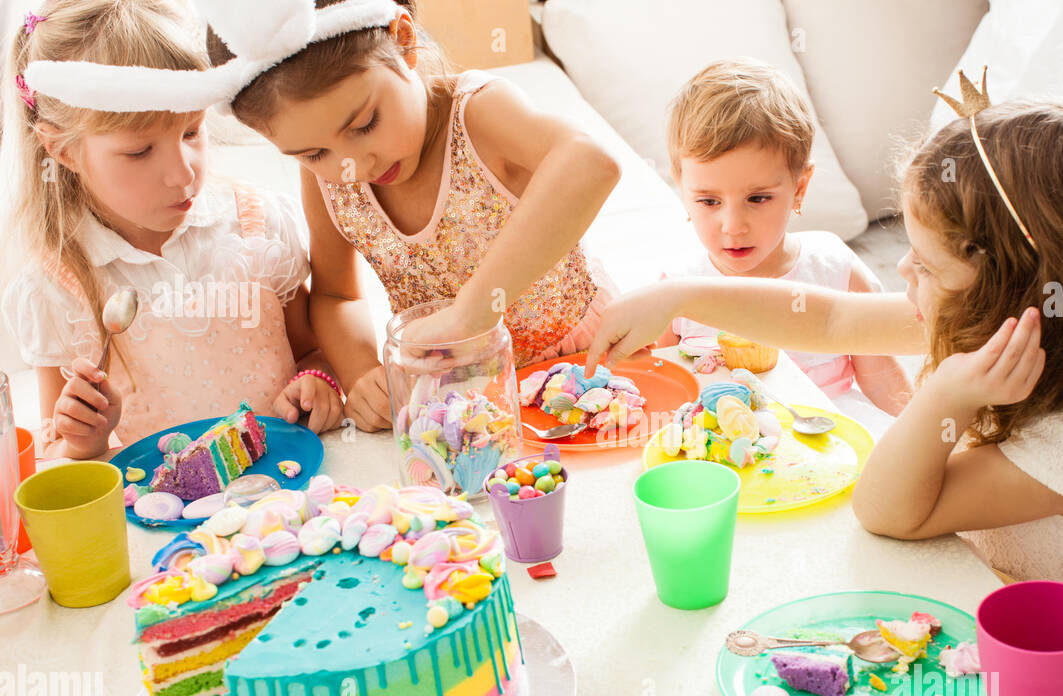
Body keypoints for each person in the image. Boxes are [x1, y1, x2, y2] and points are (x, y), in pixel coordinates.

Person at [585, 84, 1063, 696]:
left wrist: (941, 399)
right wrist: (680, 295)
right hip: (965, 587)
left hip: (1045, 652)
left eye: (927, 266)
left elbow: (889, 511)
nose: (904, 275)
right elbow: (832, 318)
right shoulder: (991, 323)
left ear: (1019, 285)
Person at [204, 0, 621, 431]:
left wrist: (470, 312)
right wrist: (364, 375)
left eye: (365, 124)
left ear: (403, 41)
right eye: (313, 153)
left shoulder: (478, 114)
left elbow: (591, 163)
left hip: (582, 367)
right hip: (455, 399)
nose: (355, 163)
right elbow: (336, 296)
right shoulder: (328, 179)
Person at [2, 0, 343, 460]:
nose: (182, 174)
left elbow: (314, 355)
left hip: (285, 490)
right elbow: (58, 443)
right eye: (140, 151)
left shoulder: (254, 226)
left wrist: (317, 383)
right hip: (165, 518)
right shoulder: (58, 286)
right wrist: (87, 437)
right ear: (61, 149)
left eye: (191, 132)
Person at [660, 58, 912, 428]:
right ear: (682, 191)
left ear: (800, 188)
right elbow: (663, 387)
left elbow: (883, 382)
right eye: (708, 201)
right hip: (728, 448)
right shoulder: (676, 290)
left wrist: (933, 444)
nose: (733, 226)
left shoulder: (835, 270)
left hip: (831, 434)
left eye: (758, 198)